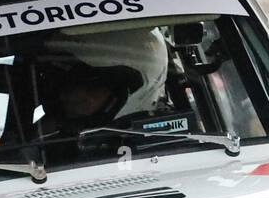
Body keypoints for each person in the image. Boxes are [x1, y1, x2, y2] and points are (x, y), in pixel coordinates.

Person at [33, 26, 169, 136]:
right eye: (64, 81)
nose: (70, 96)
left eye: (91, 85)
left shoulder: (168, 144)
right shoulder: (37, 143)